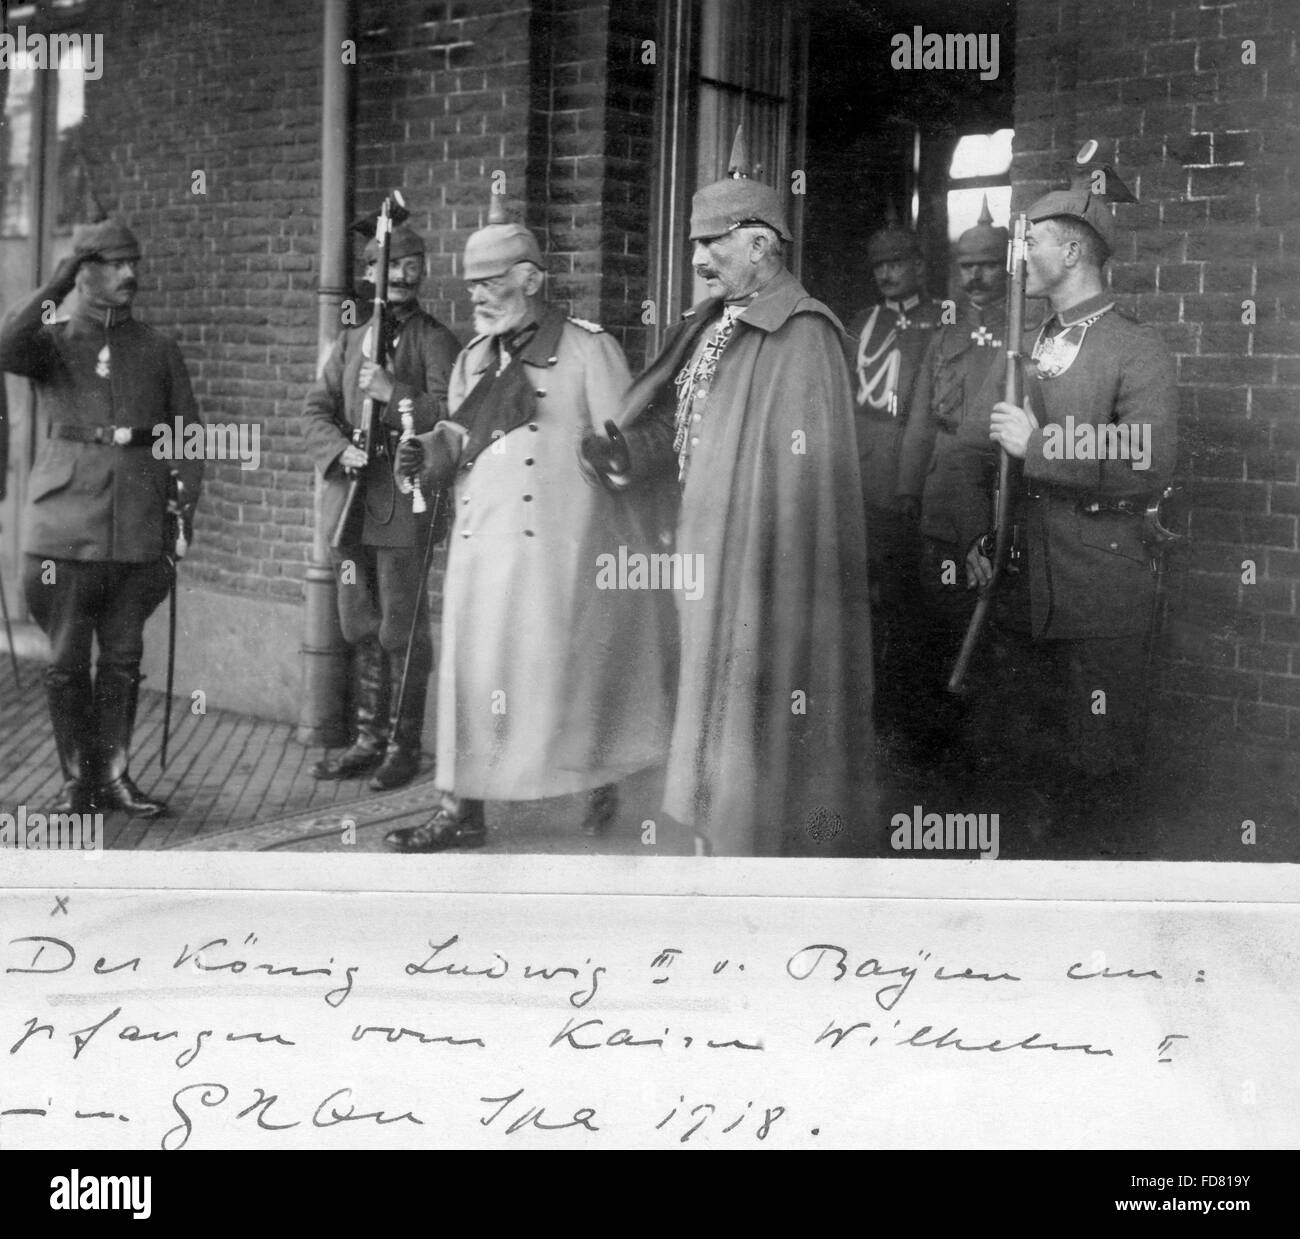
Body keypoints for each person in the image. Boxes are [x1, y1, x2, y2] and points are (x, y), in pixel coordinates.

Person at [581, 138, 874, 857]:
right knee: (700, 705)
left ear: (762, 247)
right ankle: (714, 836)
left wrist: (756, 567)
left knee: (752, 715)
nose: (697, 260)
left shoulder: (803, 335)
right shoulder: (710, 323)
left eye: (711, 243)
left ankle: (751, 848)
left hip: (753, 576)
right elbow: (684, 429)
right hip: (692, 558)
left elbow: (805, 497)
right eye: (695, 244)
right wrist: (626, 456)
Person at [385, 196, 673, 852]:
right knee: (472, 680)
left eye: (491, 283)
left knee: (575, 673)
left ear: (532, 280)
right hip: (482, 549)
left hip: (561, 554)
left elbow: (630, 443)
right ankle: (460, 810)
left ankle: (602, 781)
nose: (478, 297)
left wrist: (618, 461)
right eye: (472, 285)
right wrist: (424, 453)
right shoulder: (473, 360)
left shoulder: (587, 350)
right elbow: (458, 439)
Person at [949, 164, 1177, 834]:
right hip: (1019, 588)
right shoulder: (1027, 345)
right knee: (1021, 761)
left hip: (1100, 589)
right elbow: (967, 449)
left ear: (1073, 250)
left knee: (1096, 767)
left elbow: (1148, 458)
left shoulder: (1136, 347)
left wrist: (1041, 446)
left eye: (1036, 242)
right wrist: (977, 535)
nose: (1024, 258)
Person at [0, 220, 203, 816]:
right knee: (64, 664)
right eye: (113, 263)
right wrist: (58, 280)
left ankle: (113, 777)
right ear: (84, 269)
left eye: (132, 262)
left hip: (138, 527)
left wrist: (182, 513)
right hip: (63, 527)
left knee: (121, 659)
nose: (129, 274)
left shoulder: (158, 348)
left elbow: (186, 436)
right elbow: (6, 341)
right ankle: (75, 781)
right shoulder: (52, 342)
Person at [301, 222, 460, 790]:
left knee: (402, 627)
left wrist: (394, 394)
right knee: (359, 621)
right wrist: (339, 449)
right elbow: (315, 410)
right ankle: (367, 739)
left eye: (412, 264)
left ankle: (403, 745)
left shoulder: (437, 339)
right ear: (369, 273)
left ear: (422, 272)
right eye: (388, 264)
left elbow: (449, 416)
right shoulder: (349, 341)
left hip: (403, 495)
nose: (400, 274)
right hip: (352, 500)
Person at [895, 197, 1010, 755]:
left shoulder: (1025, 334)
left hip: (998, 497)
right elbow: (922, 416)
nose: (976, 276)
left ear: (1008, 265)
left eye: (987, 264)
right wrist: (907, 488)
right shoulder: (945, 333)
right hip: (942, 500)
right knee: (938, 610)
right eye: (967, 266)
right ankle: (942, 735)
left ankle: (986, 740)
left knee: (988, 621)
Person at [844, 218, 939, 751]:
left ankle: (905, 715)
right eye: (879, 266)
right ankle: (863, 710)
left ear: (919, 267)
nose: (887, 274)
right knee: (863, 594)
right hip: (863, 469)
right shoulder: (860, 322)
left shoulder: (939, 320)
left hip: (916, 471)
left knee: (910, 599)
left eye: (897, 263)